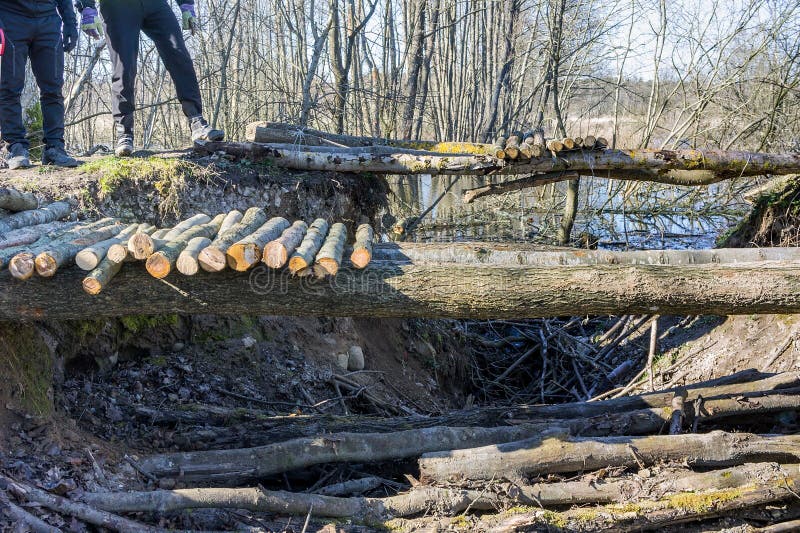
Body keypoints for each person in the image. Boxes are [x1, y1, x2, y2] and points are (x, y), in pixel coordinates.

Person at [76, 0, 224, 157]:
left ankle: (196, 121)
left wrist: (186, 5)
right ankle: (124, 132)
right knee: (124, 67)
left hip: (155, 4)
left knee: (179, 55)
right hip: (117, 6)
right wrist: (87, 7)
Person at [0, 0, 80, 169]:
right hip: (10, 17)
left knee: (53, 89)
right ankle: (16, 148)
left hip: (48, 20)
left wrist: (70, 23)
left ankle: (55, 148)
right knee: (10, 88)